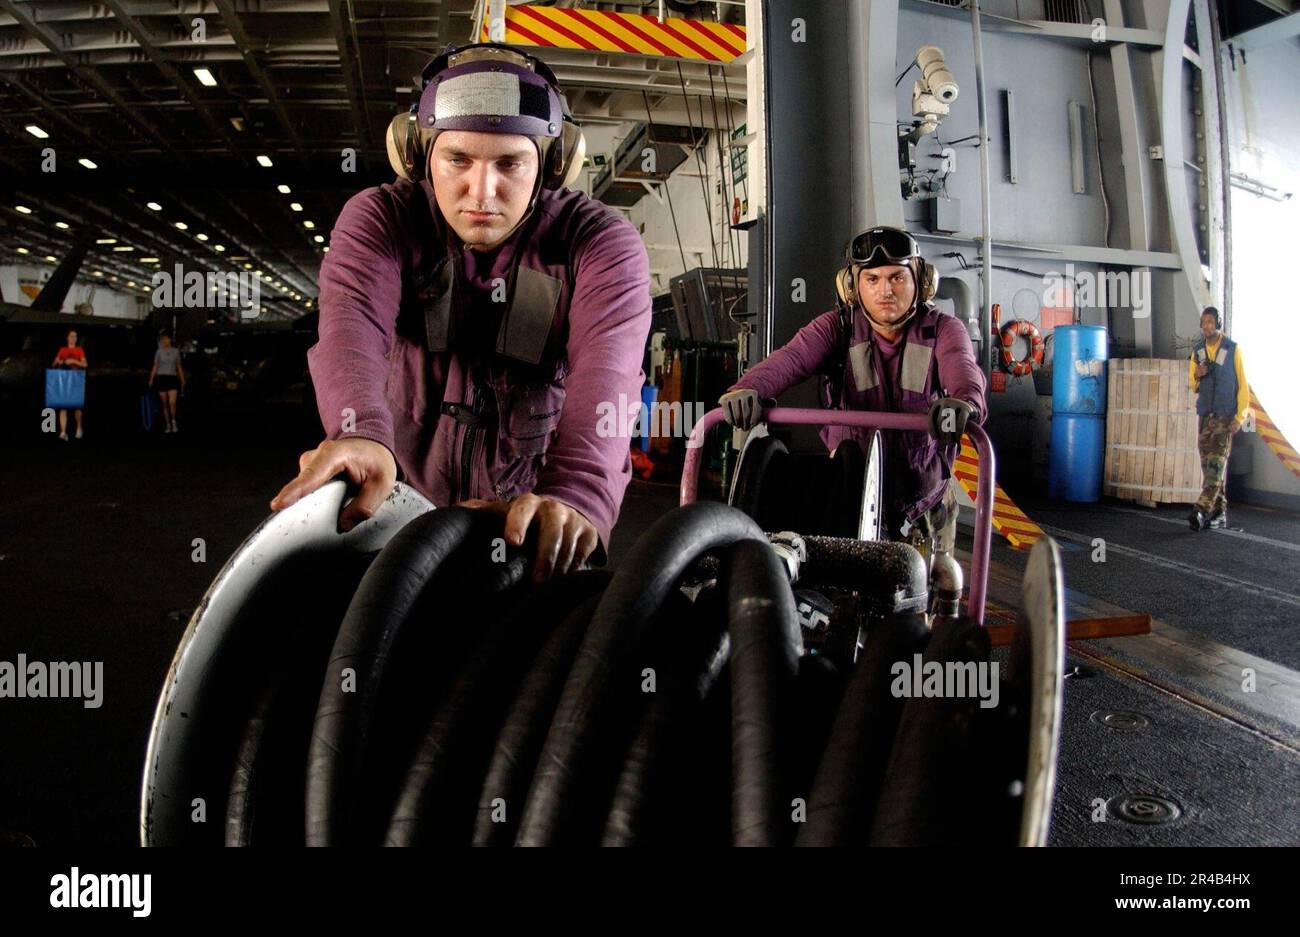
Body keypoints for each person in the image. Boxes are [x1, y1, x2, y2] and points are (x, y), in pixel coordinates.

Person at [270, 42, 651, 582]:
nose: (482, 191)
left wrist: (578, 494)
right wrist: (359, 432)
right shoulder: (381, 219)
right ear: (417, 155)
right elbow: (350, 330)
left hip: (526, 523)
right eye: (458, 160)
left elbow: (607, 376)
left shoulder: (599, 243)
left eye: (509, 164)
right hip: (397, 508)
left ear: (553, 163)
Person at [718, 226, 986, 611]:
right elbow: (790, 359)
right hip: (855, 496)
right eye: (872, 279)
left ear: (921, 282)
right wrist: (748, 388)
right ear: (852, 286)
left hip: (925, 503)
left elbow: (962, 367)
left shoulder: (943, 330)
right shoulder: (837, 328)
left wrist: (965, 402)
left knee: (923, 596)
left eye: (897, 277)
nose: (885, 290)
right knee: (852, 600)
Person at [1188, 306, 1249, 531]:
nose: (1206, 326)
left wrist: (1240, 417)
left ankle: (1200, 510)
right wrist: (1197, 374)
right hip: (1205, 416)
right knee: (1208, 466)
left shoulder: (1233, 350)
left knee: (1215, 466)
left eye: (1210, 322)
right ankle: (1219, 512)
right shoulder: (1198, 352)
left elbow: (1243, 386)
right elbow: (1193, 385)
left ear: (1218, 323)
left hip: (1225, 417)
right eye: (1203, 322)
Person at [51, 329, 87, 441]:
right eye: (71, 336)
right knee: (63, 407)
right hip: (64, 379)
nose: (73, 338)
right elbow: (54, 364)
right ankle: (63, 432)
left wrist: (73, 361)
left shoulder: (79, 350)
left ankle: (79, 429)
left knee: (76, 406)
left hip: (76, 379)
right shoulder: (62, 350)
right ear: (67, 338)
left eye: (75, 336)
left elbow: (85, 364)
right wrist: (58, 362)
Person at [148, 331, 186, 434]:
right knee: (164, 403)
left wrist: (182, 380)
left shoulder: (175, 351)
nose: (165, 340)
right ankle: (168, 424)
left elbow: (179, 366)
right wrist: (151, 379)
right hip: (161, 378)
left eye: (166, 338)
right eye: (163, 339)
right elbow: (155, 366)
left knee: (172, 402)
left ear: (170, 340)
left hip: (172, 378)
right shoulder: (159, 351)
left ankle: (173, 421)